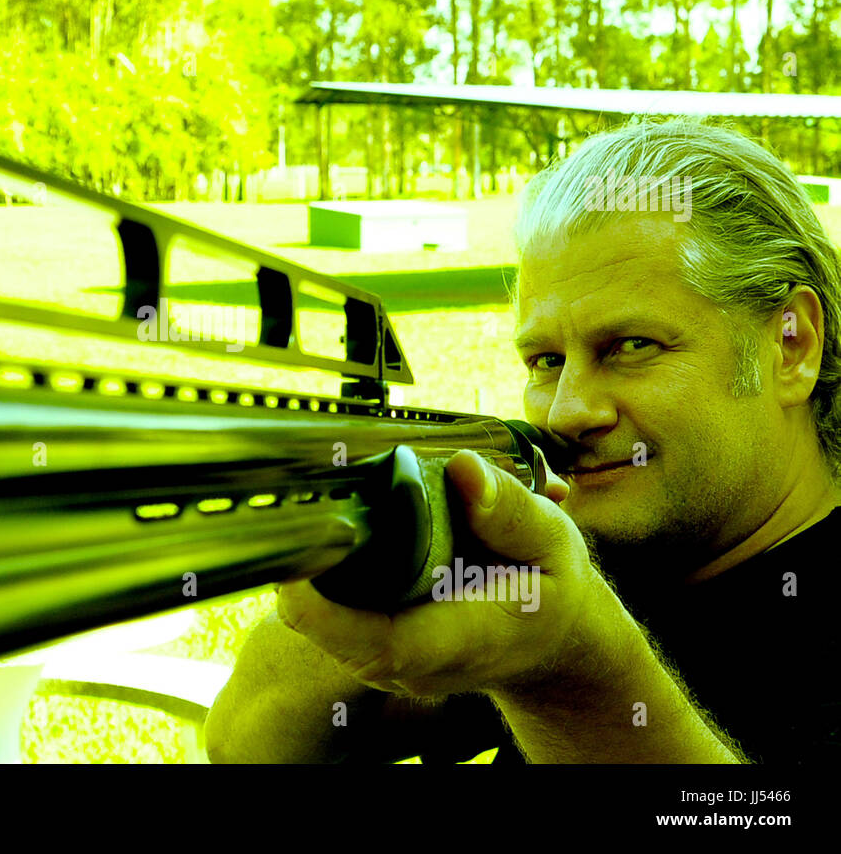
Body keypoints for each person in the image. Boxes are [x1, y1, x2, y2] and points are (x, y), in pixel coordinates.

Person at [204, 118, 841, 763]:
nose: (567, 412)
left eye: (631, 347)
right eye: (544, 360)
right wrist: (385, 554)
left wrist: (569, 670)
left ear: (791, 346)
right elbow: (248, 741)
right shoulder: (612, 546)